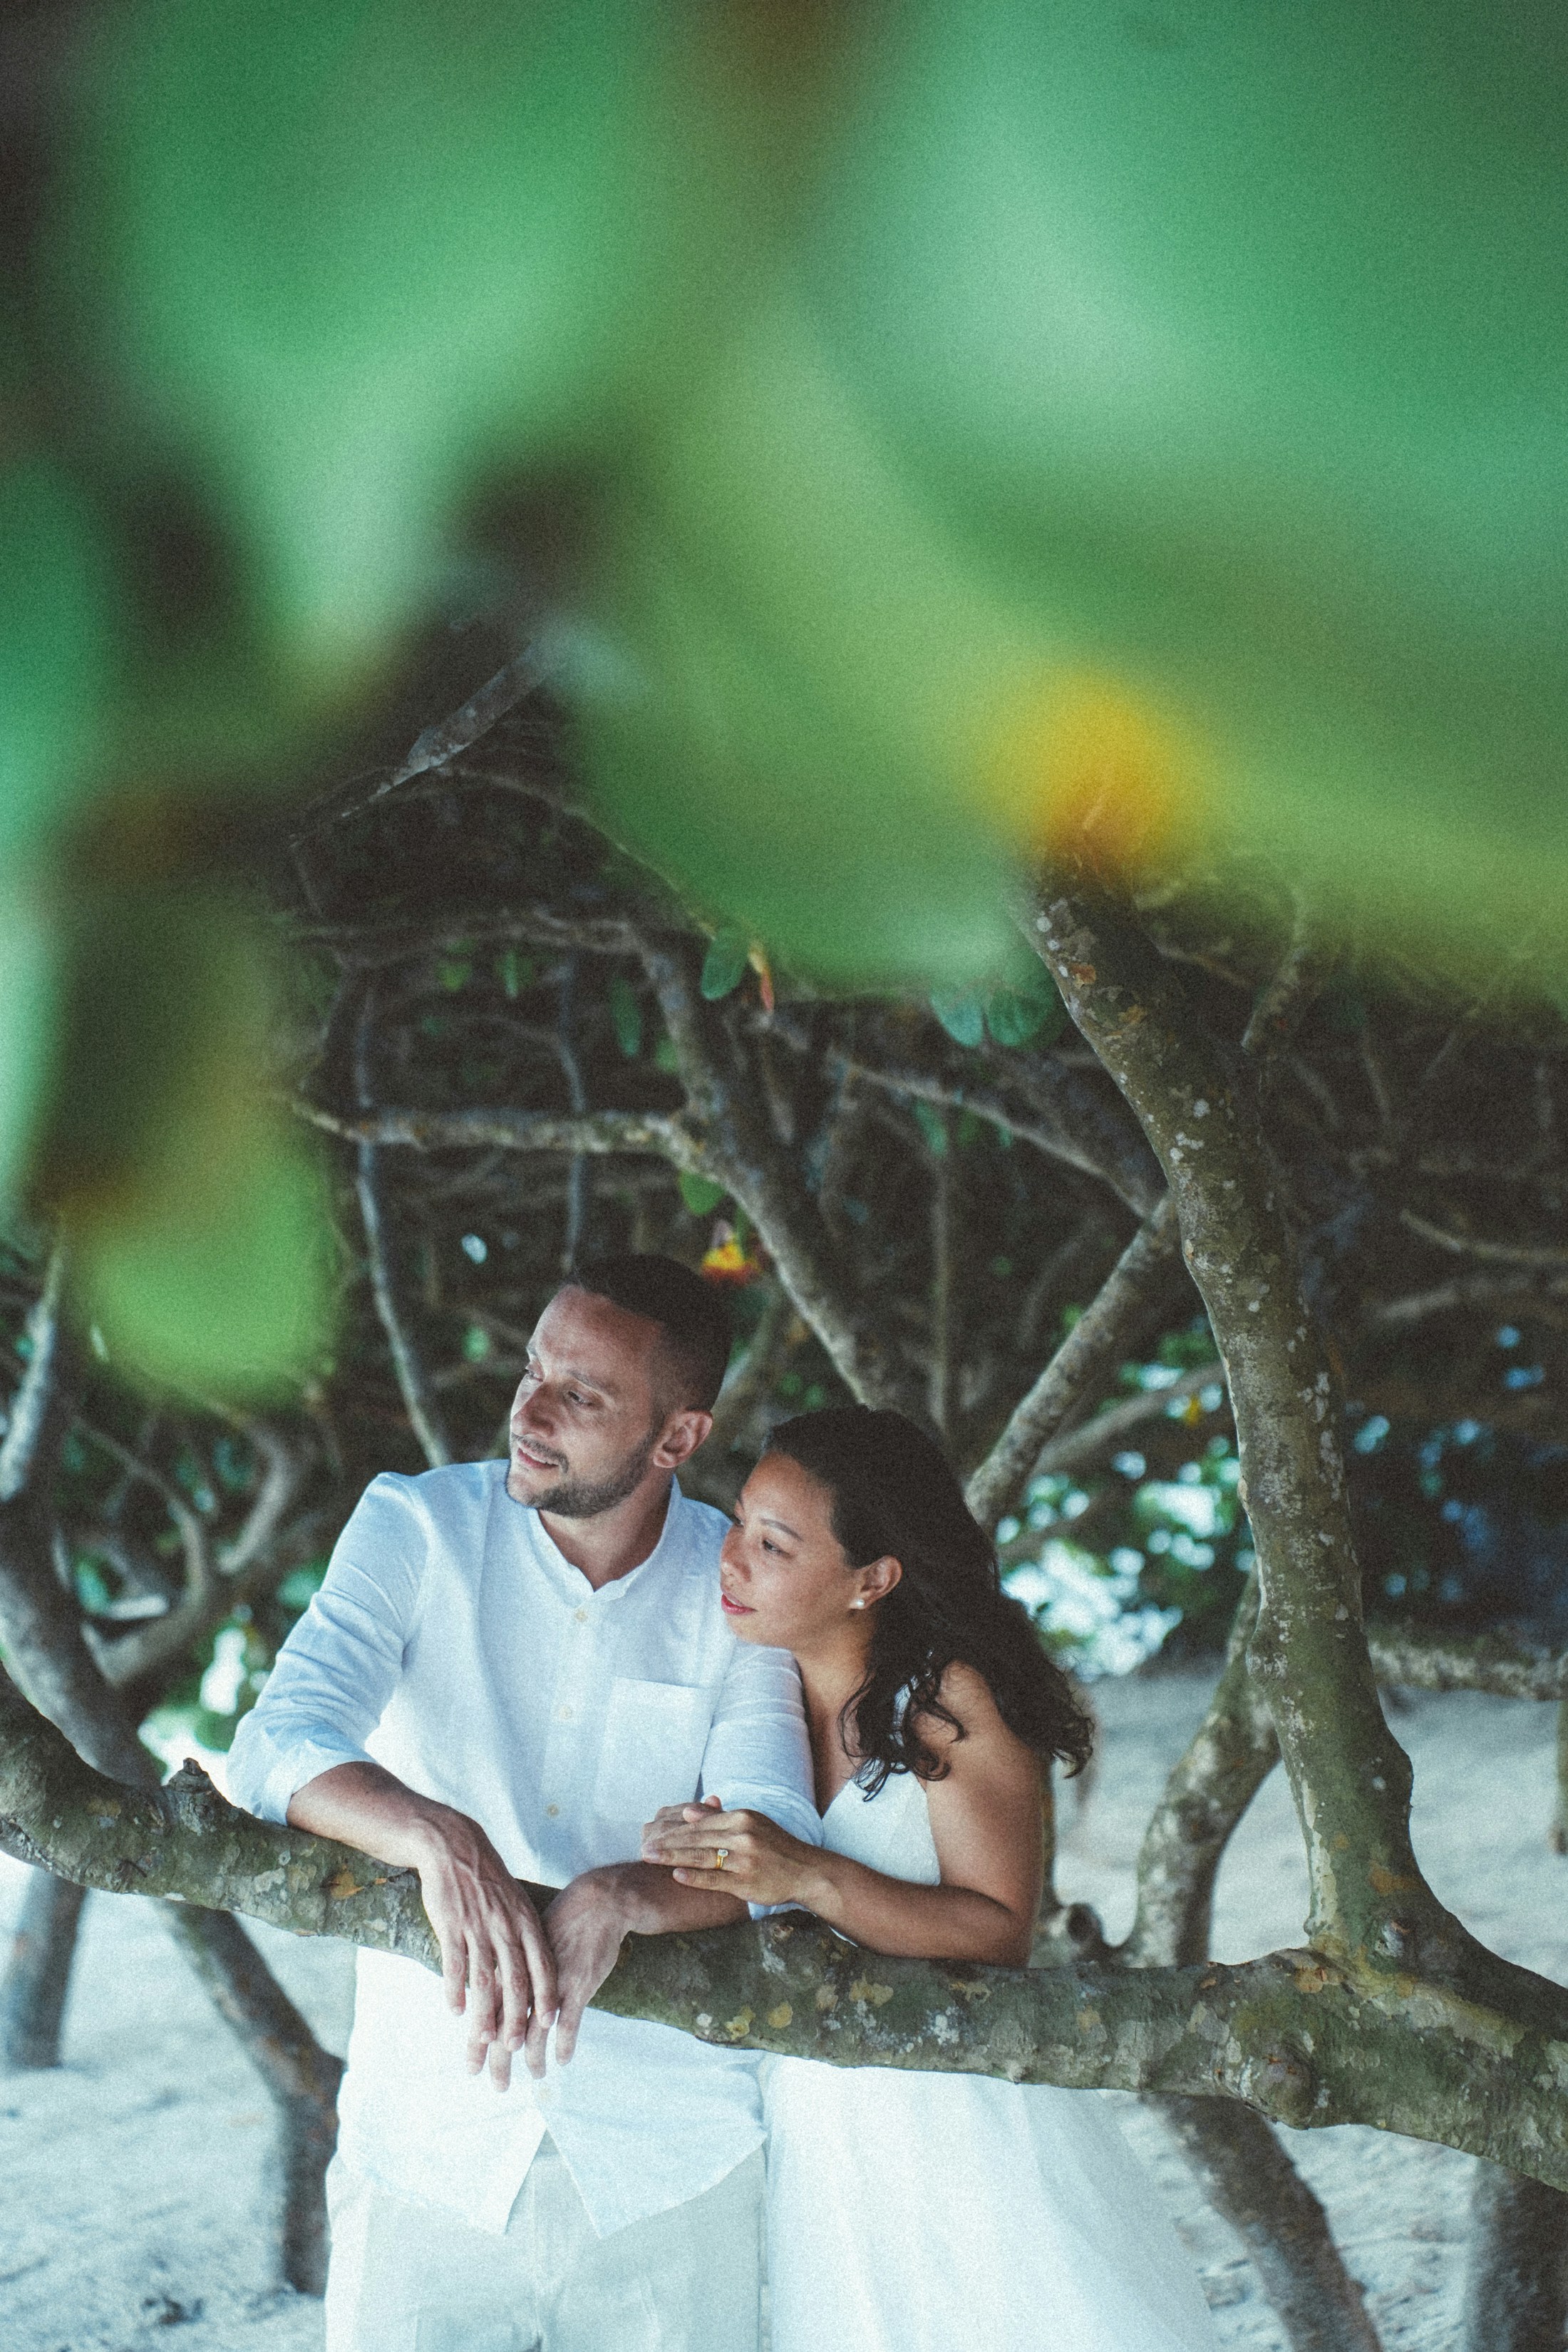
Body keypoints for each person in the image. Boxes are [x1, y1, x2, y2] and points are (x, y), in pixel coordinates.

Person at [227, 1254, 820, 2352]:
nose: (530, 1411)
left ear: (678, 1438)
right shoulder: (417, 1526)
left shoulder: (738, 1590)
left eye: (582, 1396)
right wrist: (435, 1835)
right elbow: (274, 1742)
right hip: (426, 2144)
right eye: (534, 1369)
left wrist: (628, 1893)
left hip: (668, 2159)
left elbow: (776, 1844)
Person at [643, 1405, 1222, 2352]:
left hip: (963, 2116)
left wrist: (808, 1873)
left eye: (774, 1544)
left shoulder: (948, 1697)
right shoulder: (756, 1692)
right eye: (740, 1519)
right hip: (823, 2125)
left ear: (871, 1579)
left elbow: (999, 1928)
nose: (731, 1558)